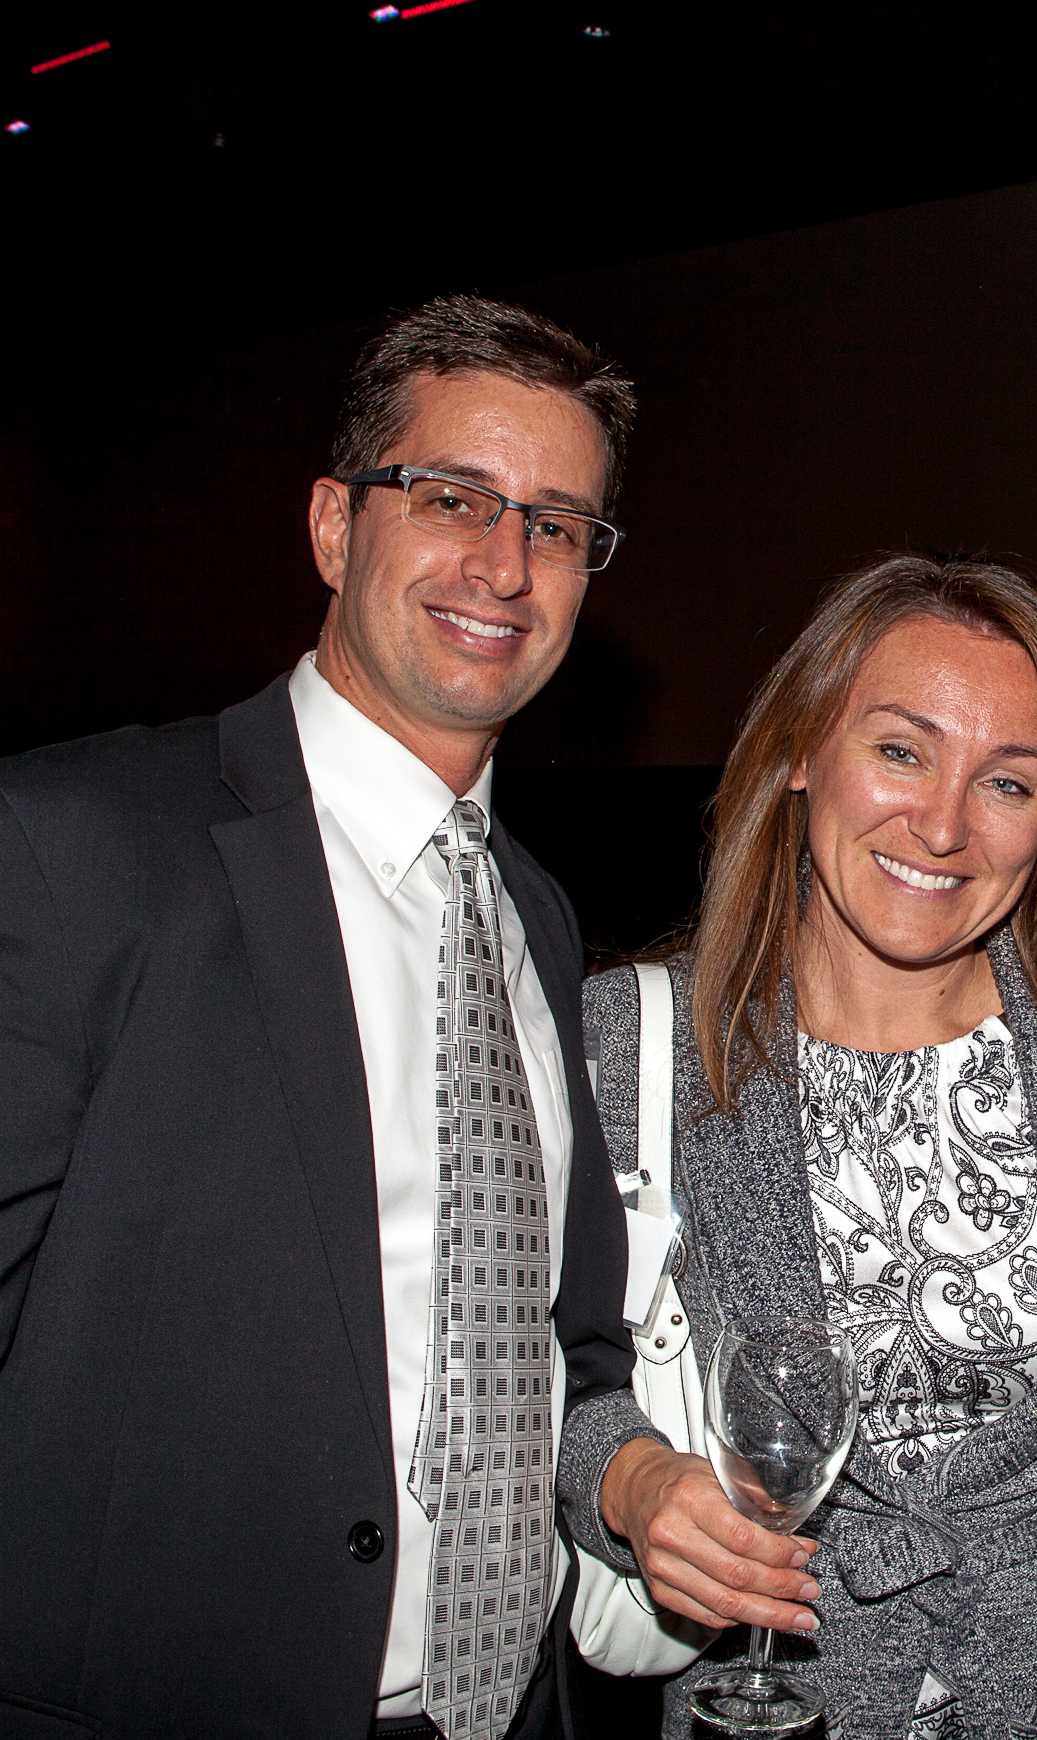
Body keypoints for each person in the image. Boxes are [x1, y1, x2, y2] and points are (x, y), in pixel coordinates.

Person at [0, 296, 638, 1738]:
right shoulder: (75, 850)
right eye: (453, 496)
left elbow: (560, 1335)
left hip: (508, 1709)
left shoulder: (534, 915)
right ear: (335, 528)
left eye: (556, 523)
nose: (506, 561)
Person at [558, 555, 1037, 1739]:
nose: (946, 825)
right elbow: (543, 1369)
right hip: (778, 1694)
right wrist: (629, 1482)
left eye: (1010, 783)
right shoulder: (636, 1044)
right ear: (805, 752)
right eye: (902, 752)